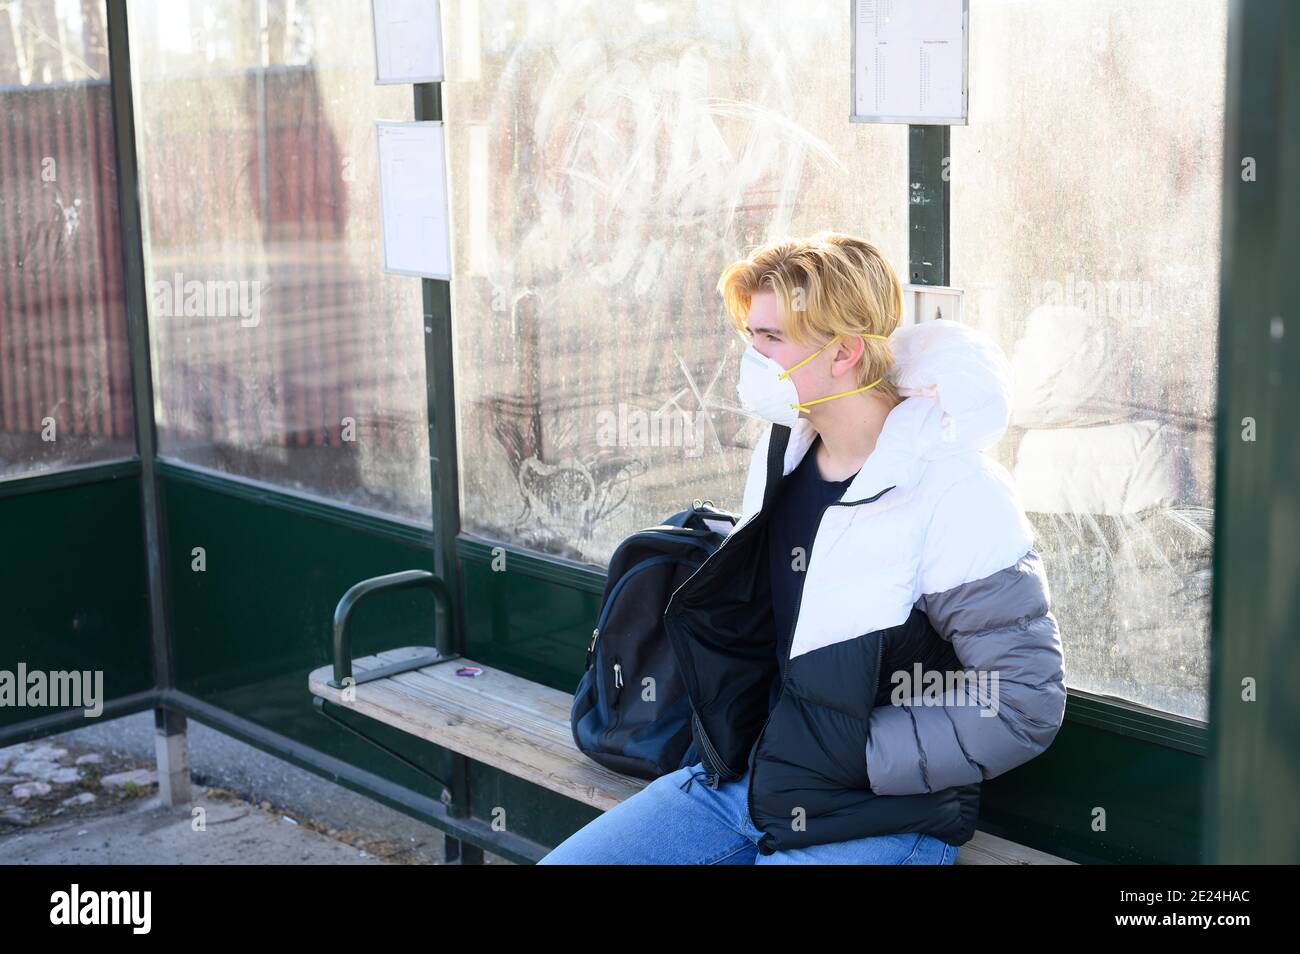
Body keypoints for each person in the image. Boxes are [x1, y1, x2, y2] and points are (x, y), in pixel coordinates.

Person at [539, 232, 1066, 864]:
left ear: (843, 351)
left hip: (874, 817)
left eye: (772, 338)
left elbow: (1022, 700)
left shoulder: (959, 488)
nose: (752, 356)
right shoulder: (782, 455)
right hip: (739, 784)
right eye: (751, 335)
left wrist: (844, 753)